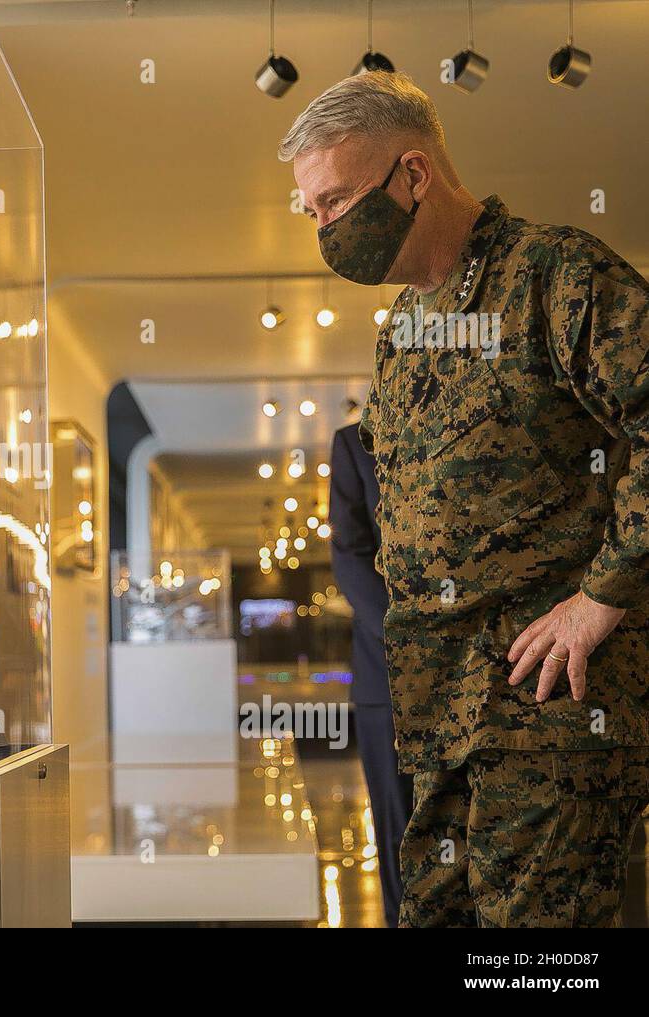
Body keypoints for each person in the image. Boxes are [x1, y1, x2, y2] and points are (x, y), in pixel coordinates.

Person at [280, 71, 649, 927]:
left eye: (335, 201)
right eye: (313, 213)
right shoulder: (406, 335)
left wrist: (600, 599)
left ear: (414, 175)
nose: (326, 230)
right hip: (439, 726)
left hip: (547, 721)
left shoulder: (553, 277)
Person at [329, 421, 413, 928]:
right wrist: (408, 634)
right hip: (386, 671)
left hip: (484, 666)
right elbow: (350, 554)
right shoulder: (354, 442)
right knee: (399, 827)